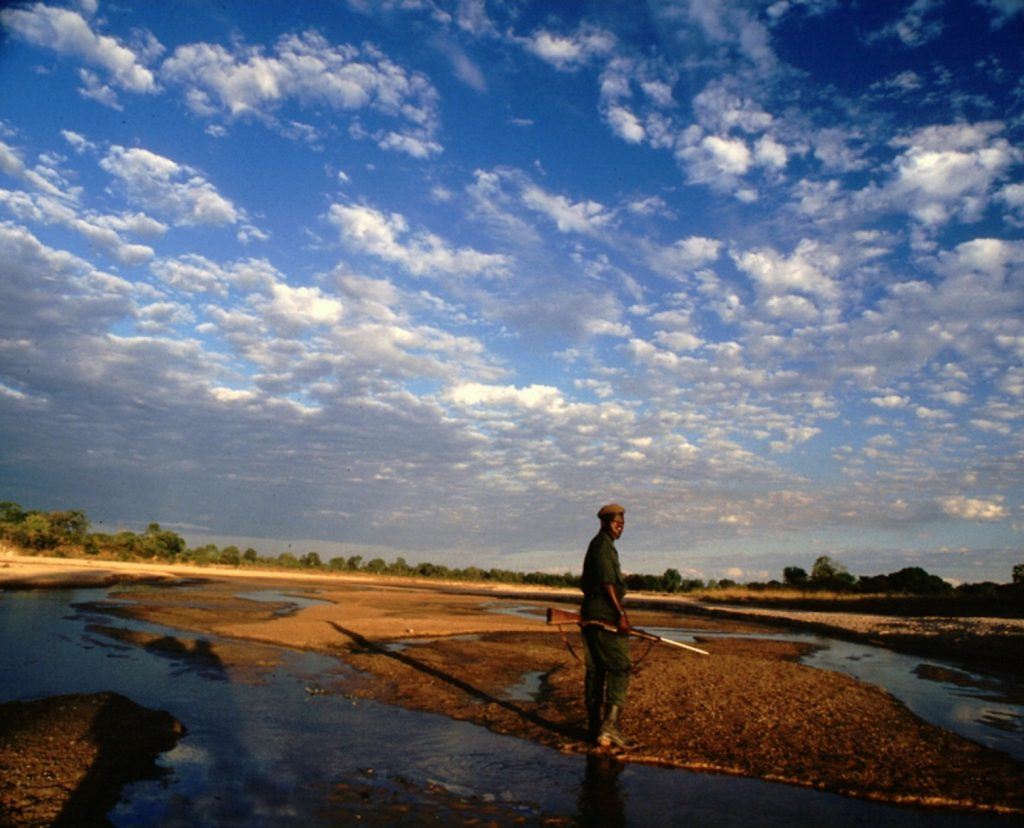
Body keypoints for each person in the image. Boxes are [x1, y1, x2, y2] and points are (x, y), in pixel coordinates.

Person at [580, 503, 634, 748]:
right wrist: (620, 614)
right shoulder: (603, 546)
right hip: (604, 616)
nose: (620, 527)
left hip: (592, 614)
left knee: (597, 670)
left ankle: (595, 730)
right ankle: (609, 727)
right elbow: (607, 584)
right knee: (620, 666)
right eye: (616, 522)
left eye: (622, 523)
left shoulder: (601, 545)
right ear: (604, 522)